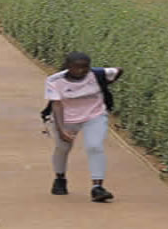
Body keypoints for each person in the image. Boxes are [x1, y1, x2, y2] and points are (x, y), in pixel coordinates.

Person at [45, 52, 119, 202]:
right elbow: (56, 105)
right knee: (63, 148)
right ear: (68, 66)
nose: (81, 71)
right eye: (76, 67)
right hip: (66, 118)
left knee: (95, 146)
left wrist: (105, 84)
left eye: (85, 67)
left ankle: (97, 187)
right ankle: (60, 178)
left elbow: (118, 71)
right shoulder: (54, 80)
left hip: (95, 115)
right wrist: (62, 130)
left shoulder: (98, 74)